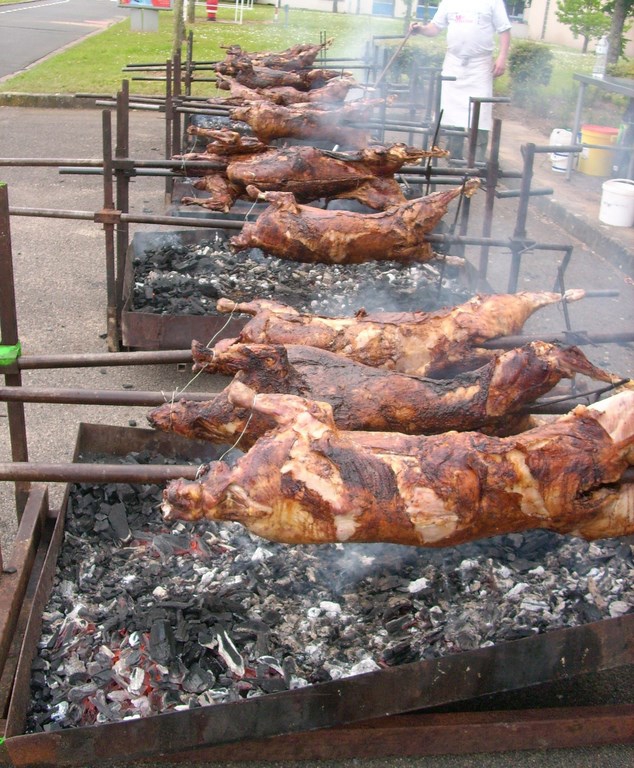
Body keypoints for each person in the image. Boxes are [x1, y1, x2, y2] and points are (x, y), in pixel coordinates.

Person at [410, 0, 511, 162]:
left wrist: (502, 57)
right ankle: (453, 160)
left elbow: (504, 29)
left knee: (480, 114)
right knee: (450, 114)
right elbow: (435, 28)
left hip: (480, 65)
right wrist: (420, 29)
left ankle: (476, 163)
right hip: (453, 62)